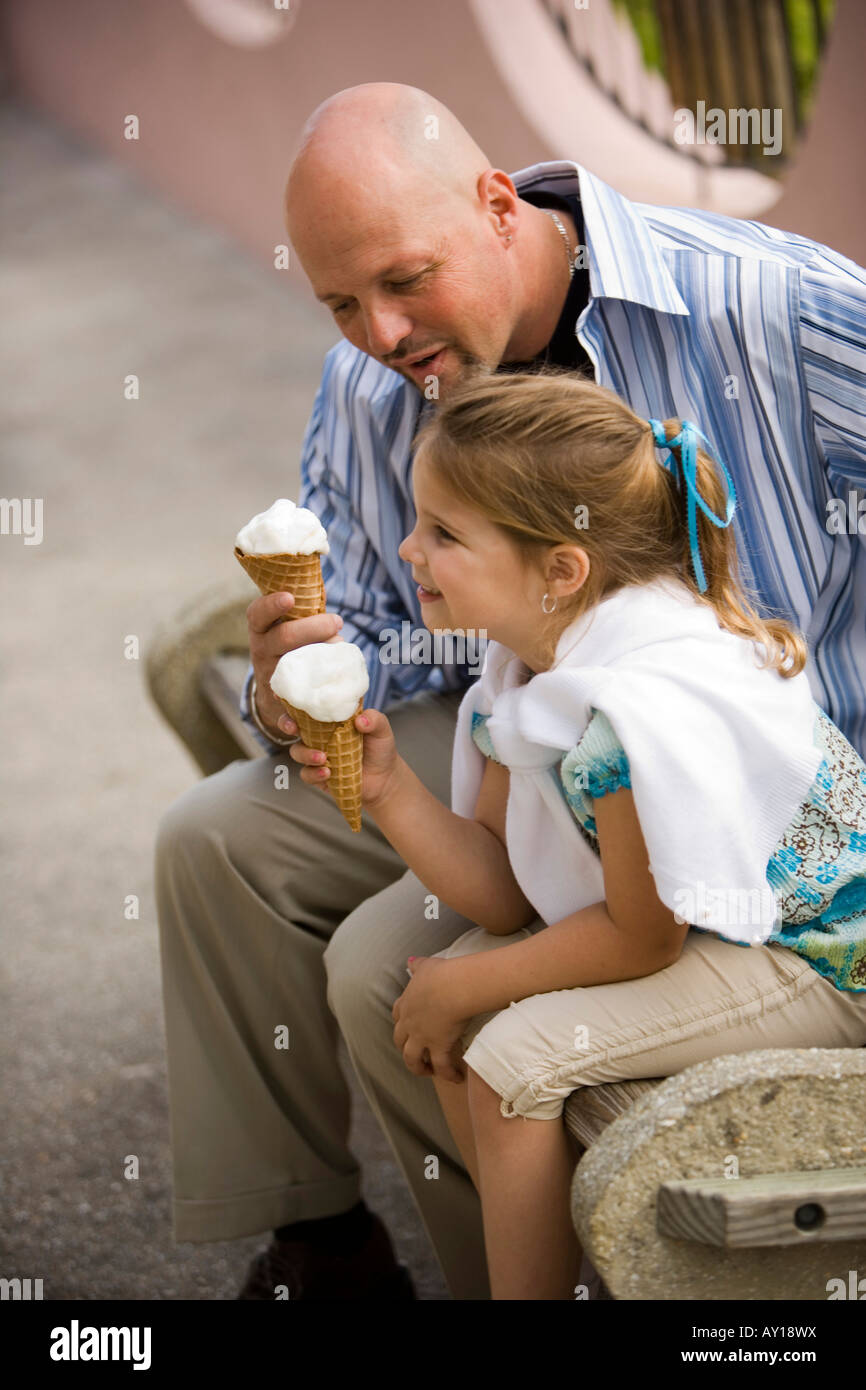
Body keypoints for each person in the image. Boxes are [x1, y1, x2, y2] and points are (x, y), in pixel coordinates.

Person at [154, 81, 866, 1301]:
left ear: (496, 207)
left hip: (784, 793)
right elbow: (384, 630)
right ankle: (343, 1246)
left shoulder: (773, 306)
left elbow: (638, 899)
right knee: (230, 850)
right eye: (338, 304)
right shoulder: (377, 395)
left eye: (402, 280)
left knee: (423, 979)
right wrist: (309, 681)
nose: (377, 335)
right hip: (544, 739)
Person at [291, 368, 866, 1299]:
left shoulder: (635, 712)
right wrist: (389, 783)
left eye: (444, 533)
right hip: (722, 940)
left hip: (823, 963)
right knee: (467, 1019)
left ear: (562, 569)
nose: (408, 551)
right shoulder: (531, 671)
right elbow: (504, 889)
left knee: (511, 1056)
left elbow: (644, 935)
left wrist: (468, 978)